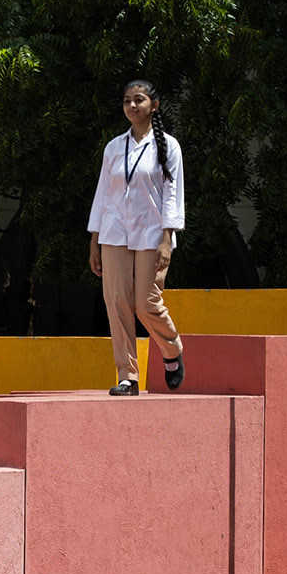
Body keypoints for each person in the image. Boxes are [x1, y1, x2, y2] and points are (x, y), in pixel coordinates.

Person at [87, 79, 186, 396]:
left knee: (146, 303)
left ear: (153, 105)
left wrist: (167, 236)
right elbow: (103, 193)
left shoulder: (168, 146)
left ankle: (171, 350)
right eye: (127, 100)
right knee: (116, 301)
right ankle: (128, 376)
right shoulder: (114, 147)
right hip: (114, 231)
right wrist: (94, 238)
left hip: (152, 232)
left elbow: (173, 194)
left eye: (139, 100)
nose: (132, 106)